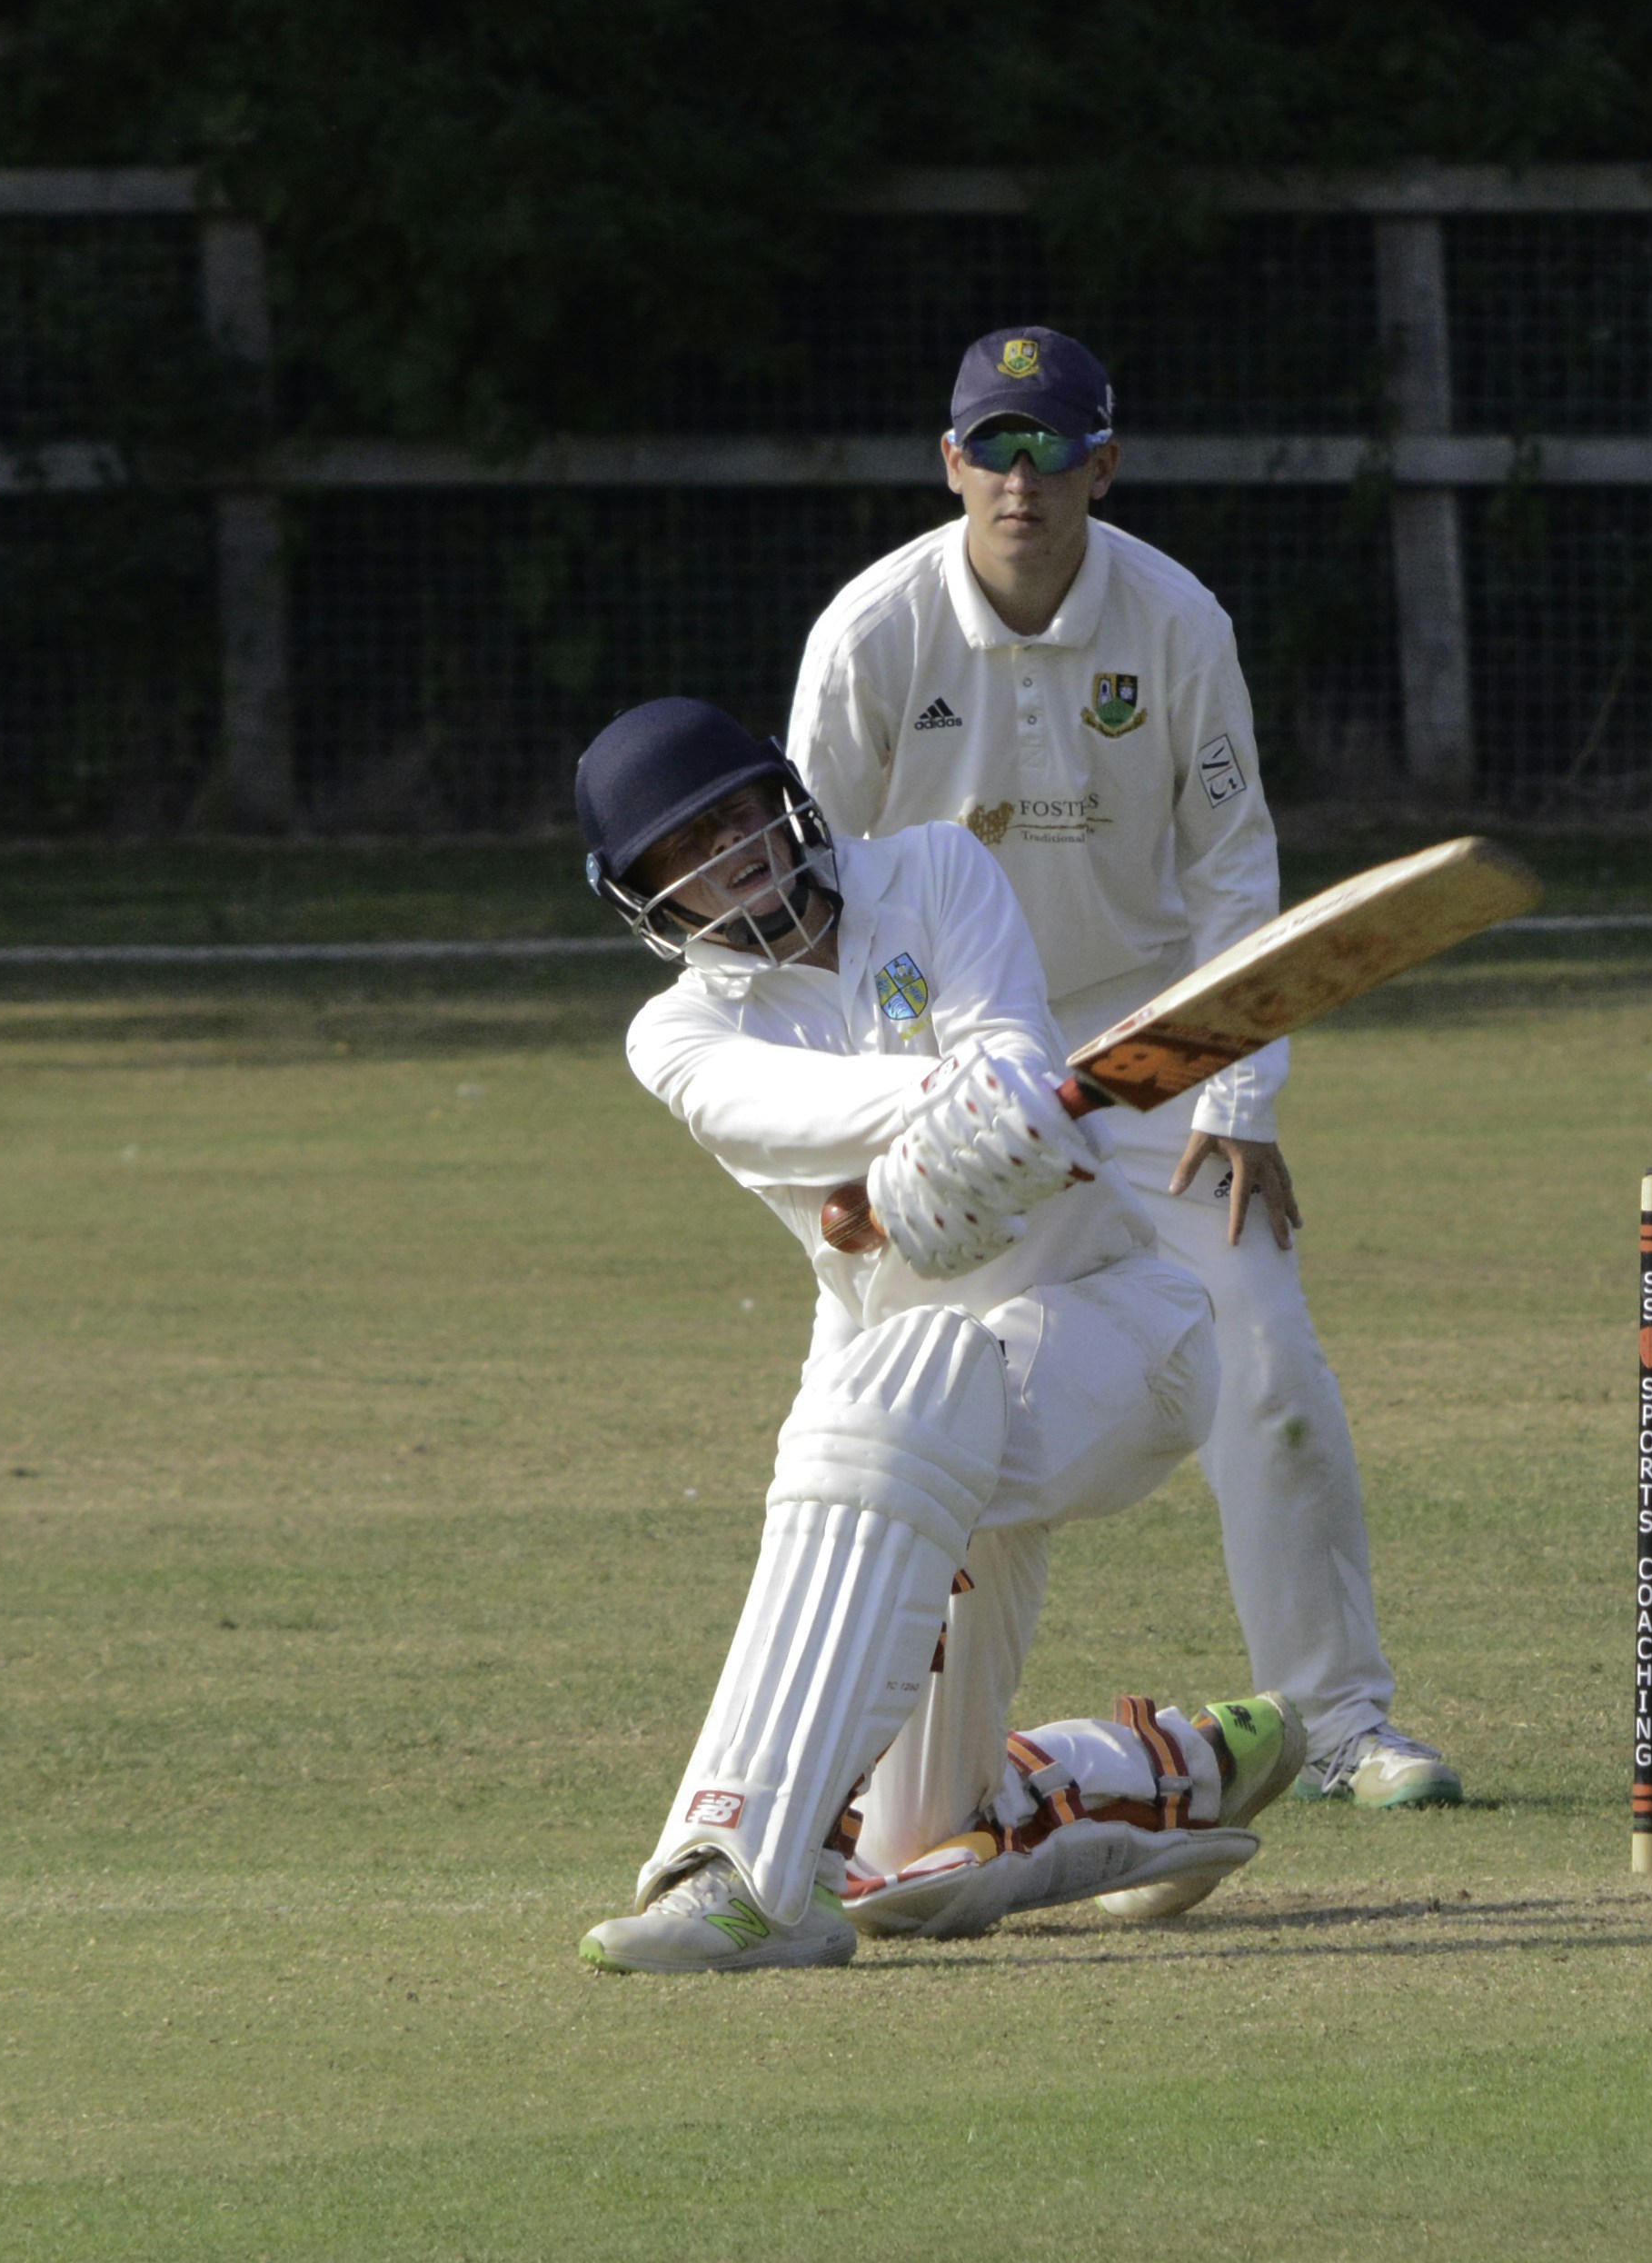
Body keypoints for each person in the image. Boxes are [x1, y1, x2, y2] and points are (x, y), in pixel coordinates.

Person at [783, 325, 1462, 1812]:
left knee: (1270, 1372)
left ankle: (1342, 1720)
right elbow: (802, 902)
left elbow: (1234, 873)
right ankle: (833, 1771)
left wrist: (1238, 1095)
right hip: (945, 1076)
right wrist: (843, 1123)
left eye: (1052, 448)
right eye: (993, 448)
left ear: (1106, 461)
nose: (1020, 481)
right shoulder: (871, 634)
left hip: (1150, 1058)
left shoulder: (1175, 620)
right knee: (878, 1411)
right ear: (949, 461)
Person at [572, 695, 1311, 1973]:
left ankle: (736, 1874)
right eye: (681, 849)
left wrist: (989, 1108)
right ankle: (1161, 1770)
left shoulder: (934, 867)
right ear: (641, 895)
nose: (730, 848)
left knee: (884, 1394)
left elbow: (1013, 1073)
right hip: (923, 1450)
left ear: (786, 797)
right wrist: (961, 1106)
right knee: (916, 1861)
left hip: (1120, 1335)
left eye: (741, 810)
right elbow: (843, 1106)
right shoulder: (681, 1036)